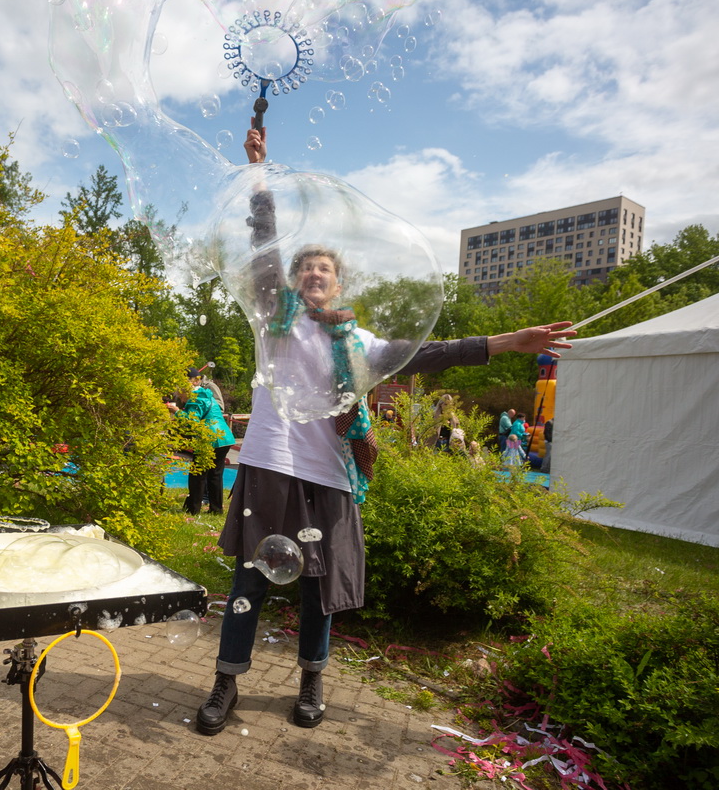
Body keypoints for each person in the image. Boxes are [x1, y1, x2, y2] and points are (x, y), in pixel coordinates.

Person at [193, 122, 577, 736]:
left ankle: (312, 680)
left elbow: (433, 352)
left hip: (327, 477)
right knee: (249, 582)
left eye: (324, 270)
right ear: (292, 282)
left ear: (337, 284)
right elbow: (262, 245)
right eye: (306, 269)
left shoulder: (363, 343)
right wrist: (259, 173)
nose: (314, 275)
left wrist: (510, 342)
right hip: (269, 463)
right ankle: (225, 683)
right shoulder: (273, 320)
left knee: (319, 593)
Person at [178, 368, 236, 515]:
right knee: (215, 476)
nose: (179, 396)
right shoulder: (205, 395)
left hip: (209, 439)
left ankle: (193, 509)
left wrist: (176, 412)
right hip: (224, 438)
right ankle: (216, 509)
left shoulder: (196, 398)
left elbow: (192, 420)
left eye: (179, 393)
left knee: (197, 475)